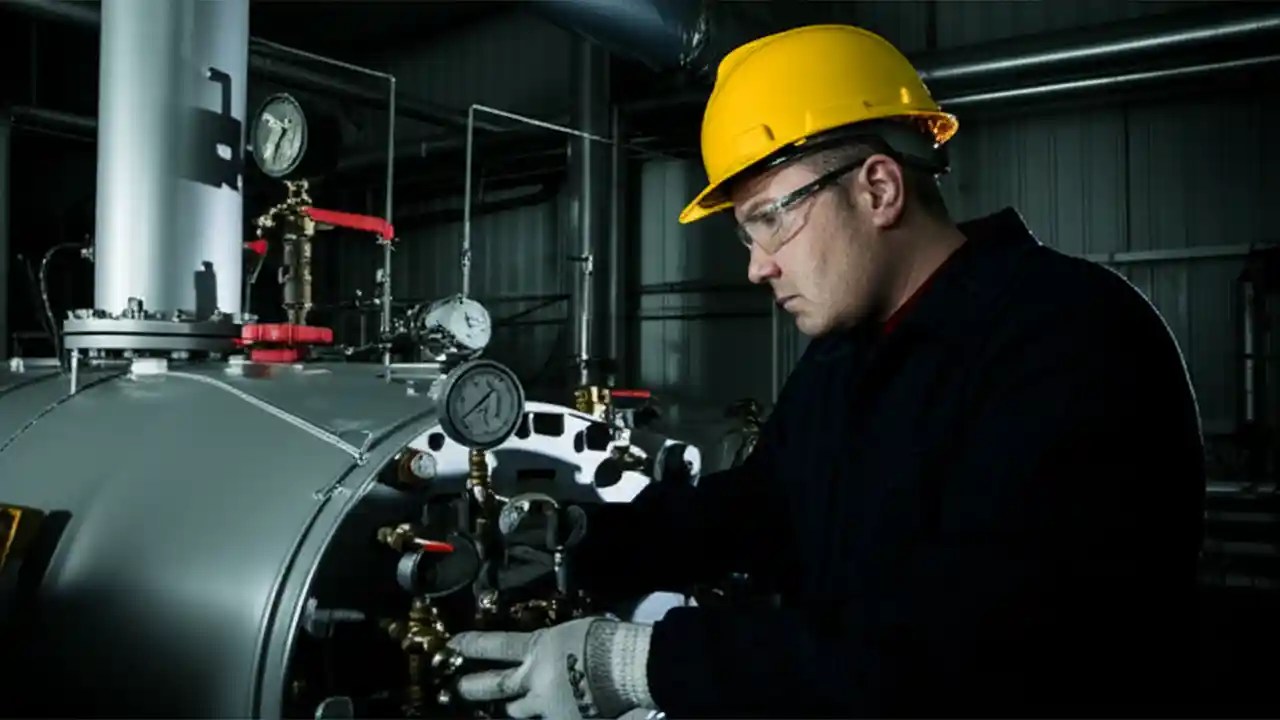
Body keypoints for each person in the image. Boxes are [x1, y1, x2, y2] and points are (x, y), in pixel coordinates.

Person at [447, 23, 1207, 719]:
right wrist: (573, 541)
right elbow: (756, 509)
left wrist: (639, 665)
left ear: (878, 188)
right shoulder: (849, 354)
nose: (757, 267)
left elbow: (970, 654)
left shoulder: (1068, 336)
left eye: (772, 217)